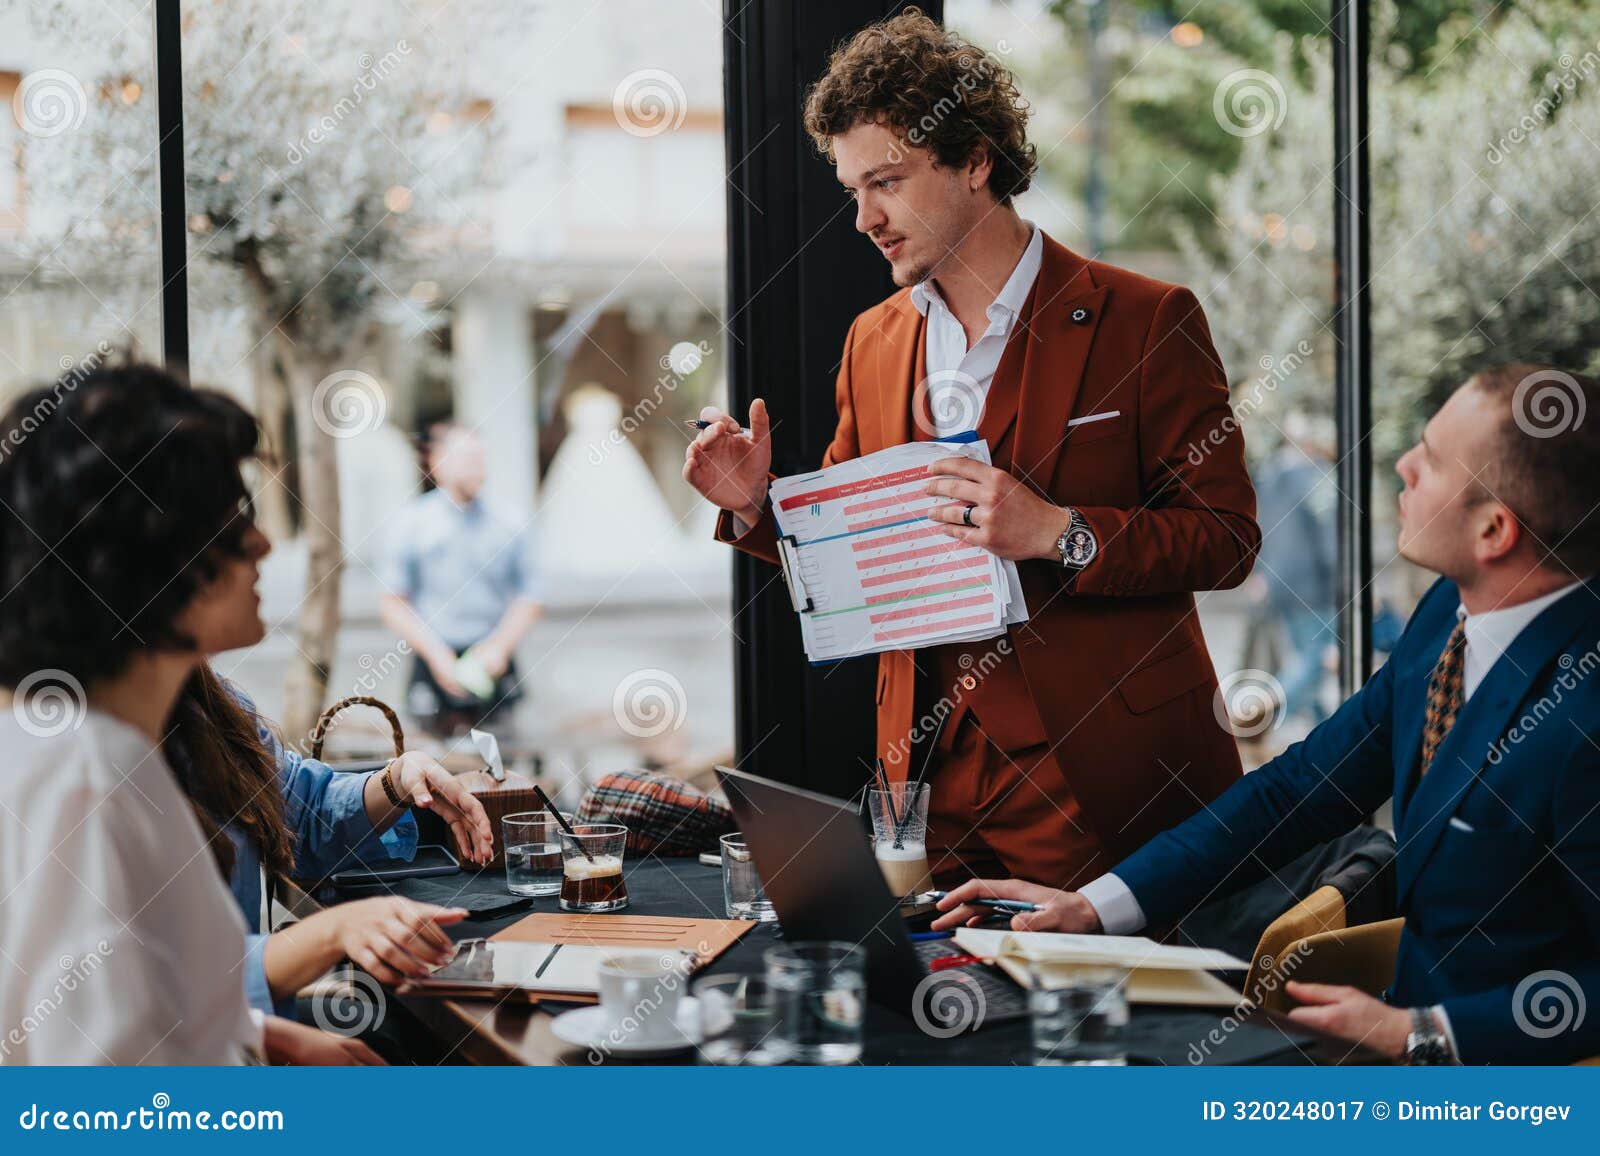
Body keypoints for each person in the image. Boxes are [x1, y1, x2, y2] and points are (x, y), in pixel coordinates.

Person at [683, 10, 1258, 889]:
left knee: (1100, 1021)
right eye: (852, 190)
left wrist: (1057, 531)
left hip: (1102, 772)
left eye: (888, 181)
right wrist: (758, 507)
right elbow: (853, 557)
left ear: (976, 160)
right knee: (930, 1011)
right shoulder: (871, 340)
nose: (866, 217)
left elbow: (1227, 539)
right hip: (924, 779)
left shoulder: (1145, 320)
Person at [934, 365, 1600, 1065]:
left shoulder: (1584, 720)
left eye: (1429, 462)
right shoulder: (1445, 616)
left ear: (1495, 530)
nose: (1402, 464)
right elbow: (1300, 789)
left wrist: (1424, 1035)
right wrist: (1096, 906)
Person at [0, 362, 377, 1063]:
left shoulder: (79, 746)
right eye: (233, 520)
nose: (262, 543)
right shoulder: (88, 776)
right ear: (149, 556)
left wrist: (259, 1035)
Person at [168, 666, 495, 1020]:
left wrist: (397, 781)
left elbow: (298, 815)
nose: (259, 605)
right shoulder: (110, 767)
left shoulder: (211, 701)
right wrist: (334, 930)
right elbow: (153, 986)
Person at [380, 424, 543, 737]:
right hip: (432, 659)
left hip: (495, 659)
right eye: (467, 458)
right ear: (437, 462)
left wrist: (499, 647)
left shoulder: (510, 522)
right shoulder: (411, 524)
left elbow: (531, 595)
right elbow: (392, 602)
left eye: (481, 458)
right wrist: (437, 655)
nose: (477, 467)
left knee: (504, 764)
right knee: (433, 762)